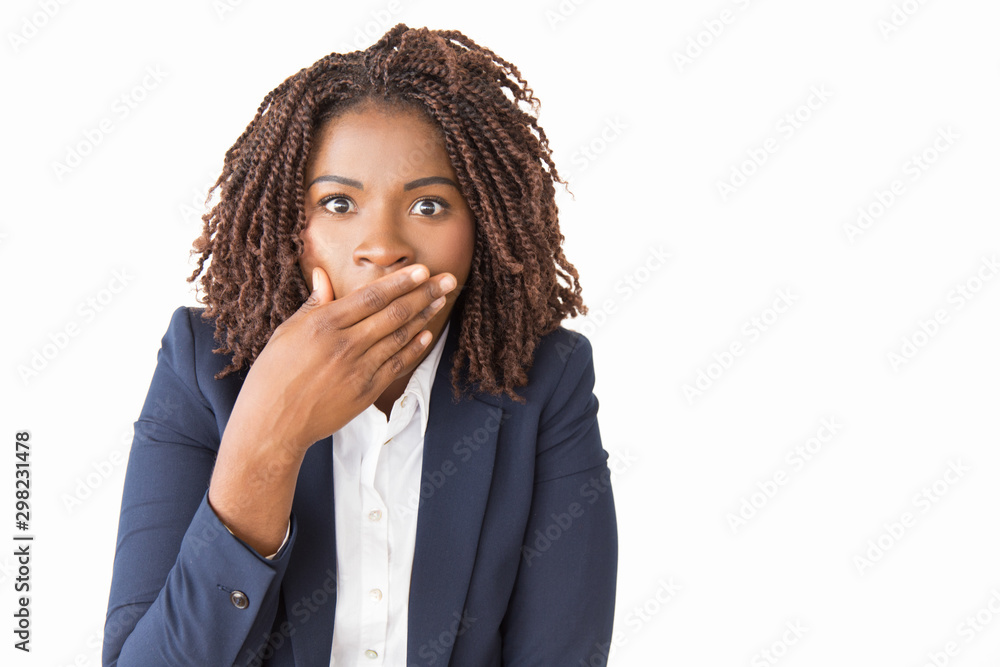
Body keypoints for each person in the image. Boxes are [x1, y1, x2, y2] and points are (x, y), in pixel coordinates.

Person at [103, 23, 617, 667]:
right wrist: (270, 438)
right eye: (339, 203)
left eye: (429, 206)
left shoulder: (547, 381)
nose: (383, 246)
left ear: (483, 224)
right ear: (292, 226)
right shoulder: (202, 366)